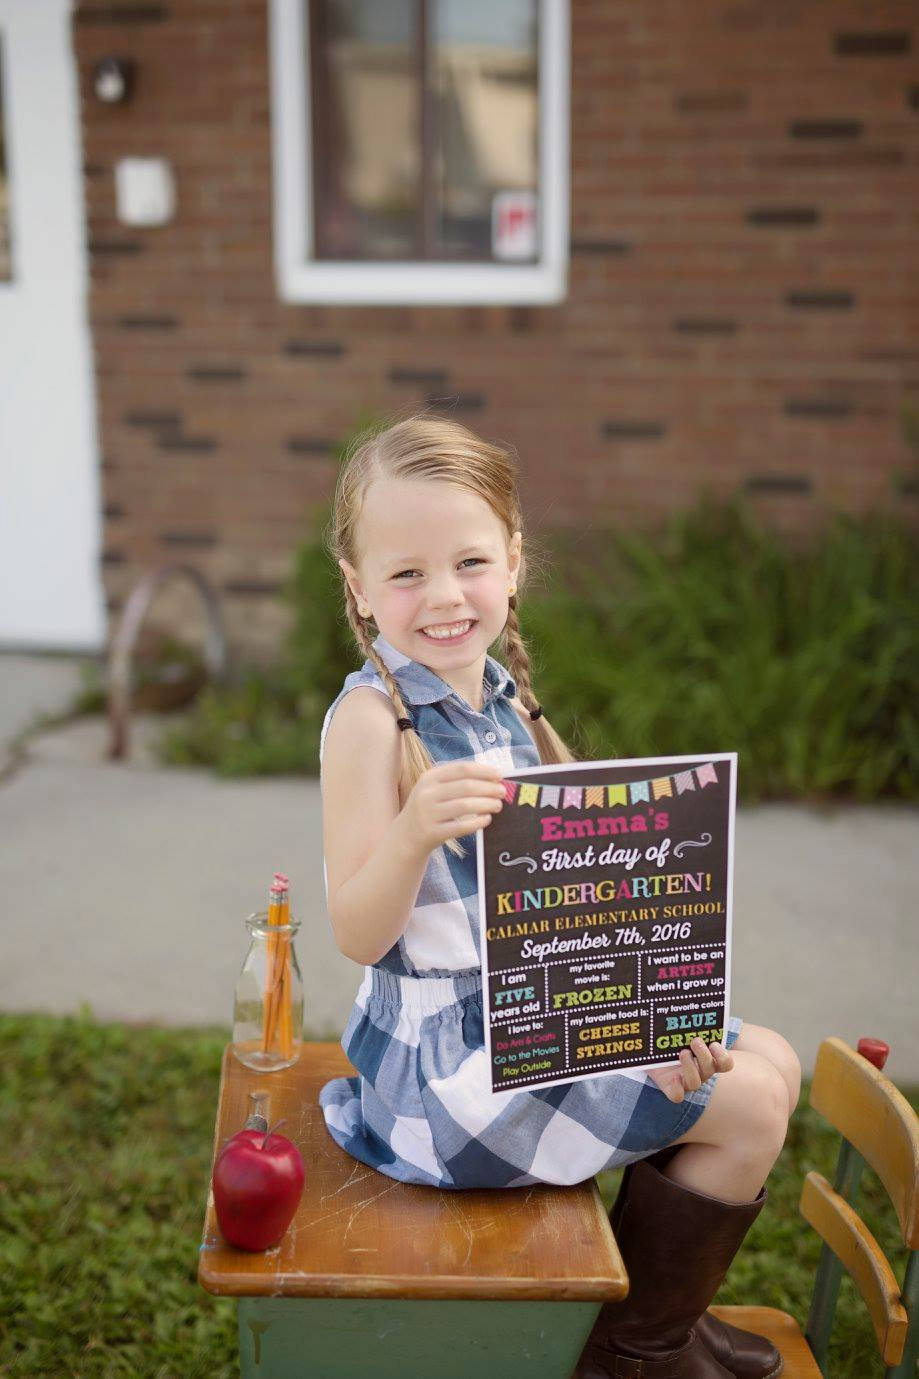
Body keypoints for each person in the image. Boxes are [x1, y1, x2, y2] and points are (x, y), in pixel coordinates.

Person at [317, 412, 801, 1379]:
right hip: (450, 1076)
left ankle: (663, 1312)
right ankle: (633, 1353)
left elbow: (586, 910)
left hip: (540, 1012)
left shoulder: (502, 700)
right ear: (358, 588)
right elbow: (358, 935)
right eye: (406, 572)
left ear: (513, 562)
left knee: (771, 1061)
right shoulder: (369, 723)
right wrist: (413, 831)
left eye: (469, 562)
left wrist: (649, 1009)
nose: (444, 595)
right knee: (743, 1108)